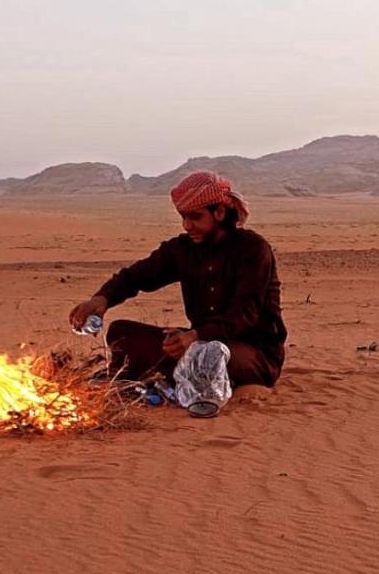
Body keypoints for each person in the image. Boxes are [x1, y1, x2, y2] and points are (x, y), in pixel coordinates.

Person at [69, 170, 287, 418]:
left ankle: (194, 384)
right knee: (121, 333)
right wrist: (102, 299)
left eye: (195, 217)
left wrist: (195, 336)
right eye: (183, 217)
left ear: (219, 212)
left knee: (209, 354)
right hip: (197, 344)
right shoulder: (182, 250)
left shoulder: (252, 249)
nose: (187, 225)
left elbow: (244, 315)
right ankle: (171, 375)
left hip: (253, 353)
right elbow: (136, 276)